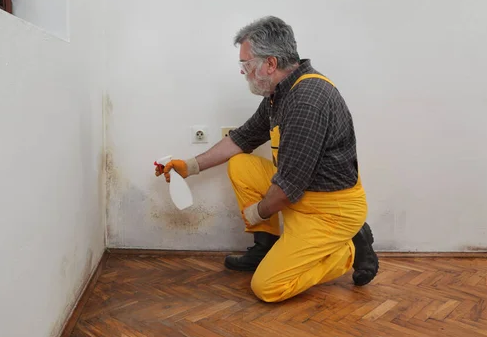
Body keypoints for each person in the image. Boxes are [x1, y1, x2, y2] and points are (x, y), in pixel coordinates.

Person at [155, 16, 378, 303]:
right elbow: (242, 138)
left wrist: (257, 213)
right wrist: (190, 166)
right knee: (241, 164)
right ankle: (265, 247)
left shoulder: (307, 101)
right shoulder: (280, 93)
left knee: (268, 287)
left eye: (246, 65)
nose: (243, 73)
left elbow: (287, 189)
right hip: (305, 195)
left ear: (270, 64)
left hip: (328, 211)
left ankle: (346, 249)